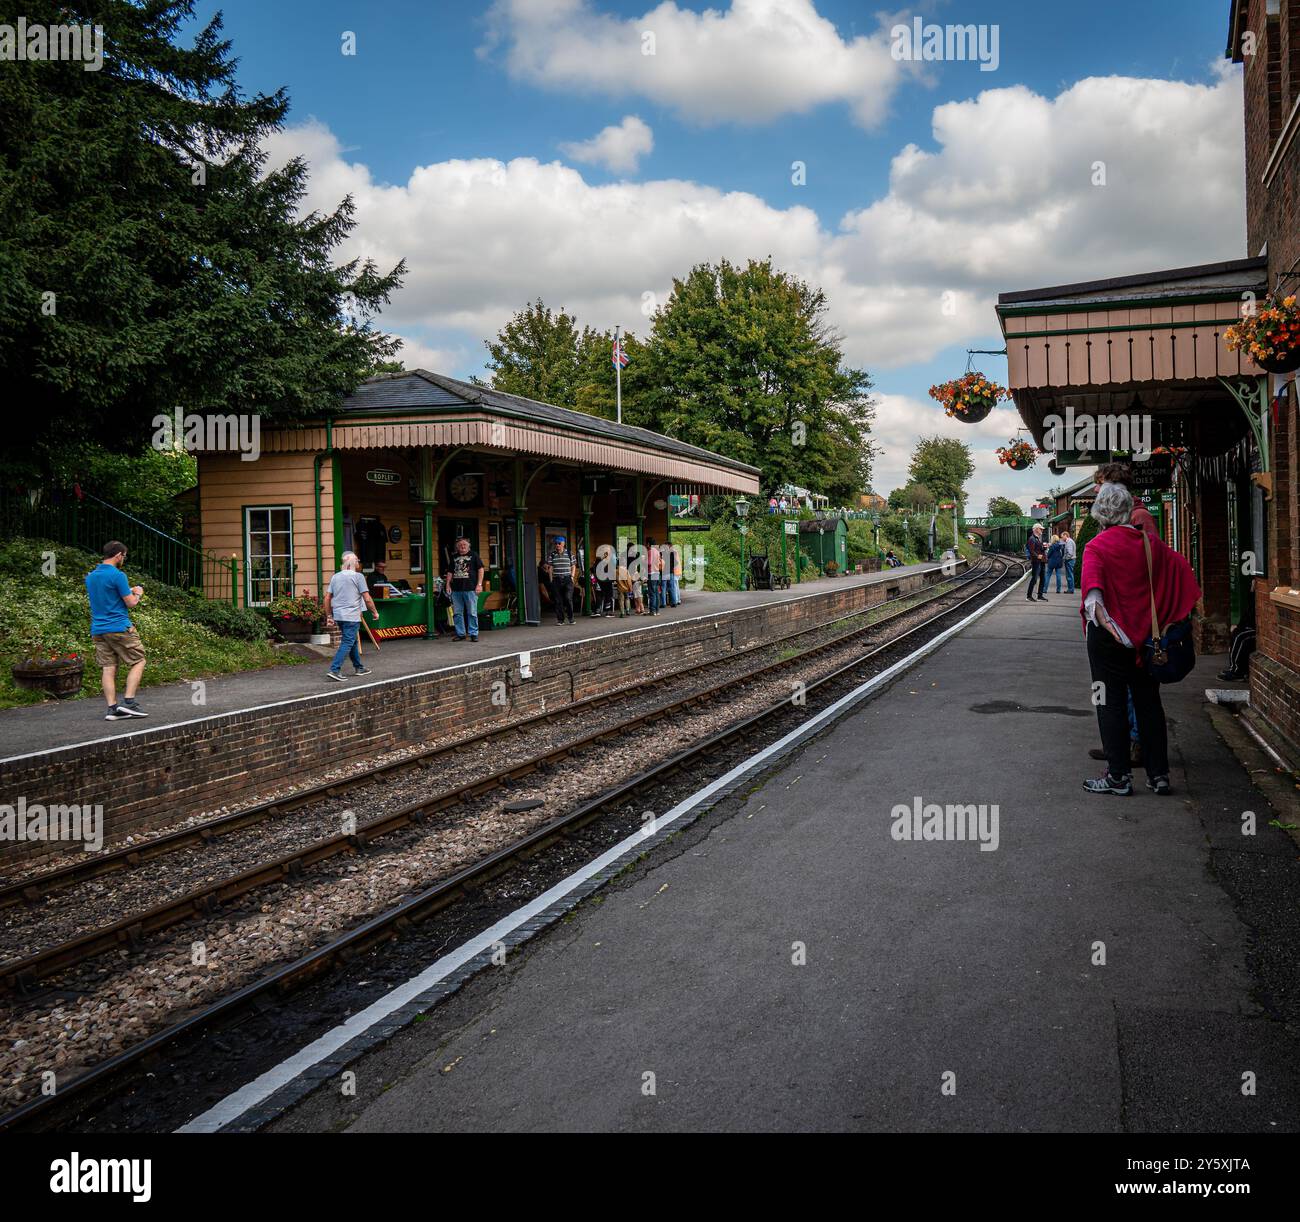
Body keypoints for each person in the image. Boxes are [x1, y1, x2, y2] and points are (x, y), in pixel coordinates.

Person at [1080, 482, 1200, 796]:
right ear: (1127, 512)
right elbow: (1183, 573)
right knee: (1148, 703)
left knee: (1109, 703)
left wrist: (1119, 633)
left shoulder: (1096, 547)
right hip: (1150, 640)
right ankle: (1159, 775)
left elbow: (1094, 602)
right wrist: (1163, 620)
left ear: (1100, 515)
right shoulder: (1150, 545)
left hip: (1109, 643)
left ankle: (1118, 777)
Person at [86, 540, 148, 719]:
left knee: (108, 667)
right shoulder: (118, 575)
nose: (124, 559)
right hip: (119, 627)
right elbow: (131, 603)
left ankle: (112, 709)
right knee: (138, 661)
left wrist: (126, 591)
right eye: (124, 556)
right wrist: (137, 593)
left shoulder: (91, 576)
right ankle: (129, 702)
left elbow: (106, 596)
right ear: (118, 555)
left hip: (98, 629)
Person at [324, 551, 379, 680]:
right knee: (347, 642)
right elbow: (367, 598)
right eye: (357, 561)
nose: (358, 563)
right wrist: (374, 612)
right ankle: (334, 670)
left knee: (352, 640)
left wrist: (329, 616)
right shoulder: (358, 577)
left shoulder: (335, 577)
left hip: (339, 615)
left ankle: (359, 667)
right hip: (351, 615)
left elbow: (327, 598)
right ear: (353, 563)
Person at [443, 536, 485, 641]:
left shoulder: (474, 555)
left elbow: (481, 569)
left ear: (468, 546)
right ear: (457, 547)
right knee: (457, 613)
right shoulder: (454, 557)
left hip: (471, 588)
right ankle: (461, 634)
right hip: (456, 590)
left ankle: (473, 634)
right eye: (460, 545)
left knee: (472, 612)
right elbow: (450, 571)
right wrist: (447, 584)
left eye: (464, 545)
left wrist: (479, 584)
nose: (462, 547)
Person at [1219, 597, 1256, 682]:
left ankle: (1237, 673)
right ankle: (1234, 669)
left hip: (1257, 629)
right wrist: (1239, 627)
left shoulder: (1259, 596)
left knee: (1241, 637)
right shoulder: (1252, 596)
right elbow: (1247, 615)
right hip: (1250, 626)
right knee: (1236, 632)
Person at [546, 537, 578, 625]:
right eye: (556, 543)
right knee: (558, 600)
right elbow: (550, 568)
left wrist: (572, 576)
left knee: (568, 598)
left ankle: (571, 618)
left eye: (559, 543)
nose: (557, 545)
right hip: (556, 580)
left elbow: (573, 566)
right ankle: (560, 620)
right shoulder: (552, 555)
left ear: (563, 544)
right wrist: (551, 579)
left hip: (567, 578)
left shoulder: (569, 553)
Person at [593, 543, 616, 617]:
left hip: (604, 579)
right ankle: (603, 611)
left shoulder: (602, 558)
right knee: (604, 594)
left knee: (603, 594)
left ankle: (602, 611)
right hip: (603, 579)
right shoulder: (602, 558)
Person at [1026, 524, 1048, 600]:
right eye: (1040, 529)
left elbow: (1038, 549)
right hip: (1036, 561)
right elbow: (1031, 550)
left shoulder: (1037, 538)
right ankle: (1029, 596)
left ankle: (1040, 595)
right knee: (1034, 579)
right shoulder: (1032, 539)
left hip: (1041, 561)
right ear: (1036, 529)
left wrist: (1044, 548)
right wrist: (1037, 555)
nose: (1042, 530)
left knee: (1043, 578)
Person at [1061, 525, 1076, 595]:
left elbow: (1070, 553)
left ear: (1066, 535)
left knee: (1069, 575)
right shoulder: (1069, 541)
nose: (1062, 538)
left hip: (1070, 560)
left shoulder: (1069, 542)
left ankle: (1070, 589)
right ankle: (1070, 589)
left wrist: (1065, 559)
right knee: (1070, 575)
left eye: (1062, 536)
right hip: (1071, 560)